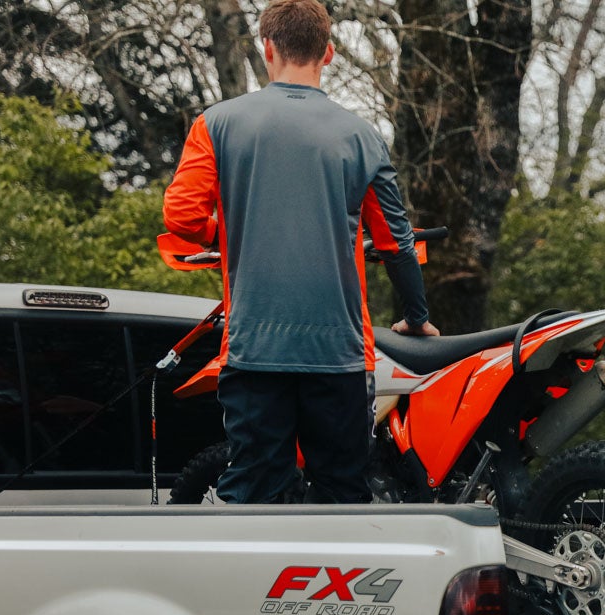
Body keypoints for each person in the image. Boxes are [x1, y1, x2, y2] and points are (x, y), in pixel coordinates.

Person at [162, 0, 436, 504]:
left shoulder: (216, 123)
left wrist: (227, 231)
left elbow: (181, 218)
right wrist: (417, 316)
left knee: (254, 492)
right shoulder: (363, 136)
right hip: (340, 356)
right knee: (342, 493)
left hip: (254, 353)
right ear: (328, 53)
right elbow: (397, 241)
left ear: (268, 49)